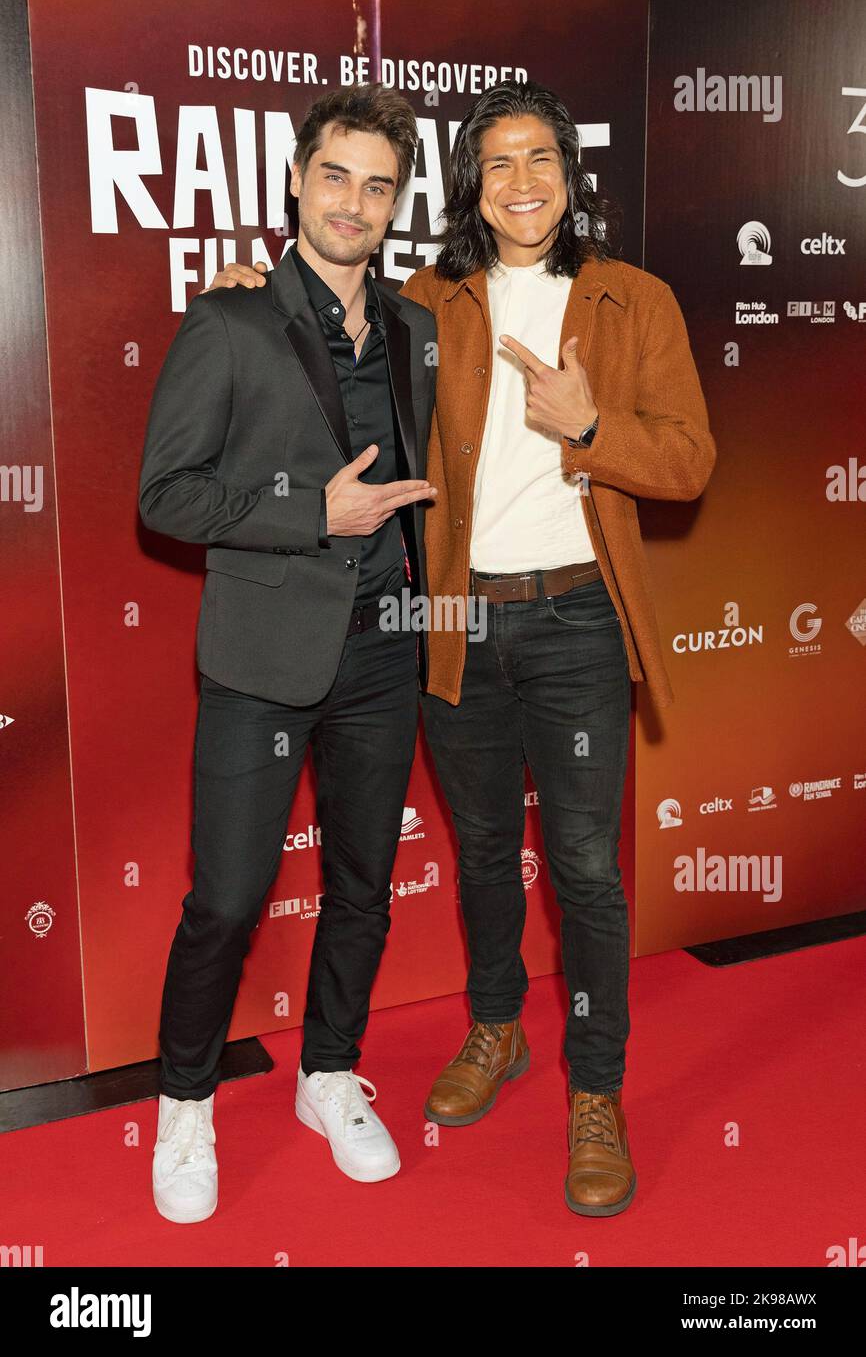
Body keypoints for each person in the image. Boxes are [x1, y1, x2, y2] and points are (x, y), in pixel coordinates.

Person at [212, 78, 717, 1216]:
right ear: (470, 187)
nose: (522, 180)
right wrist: (248, 286)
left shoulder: (635, 301)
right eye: (498, 163)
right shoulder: (427, 302)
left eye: (540, 157)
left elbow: (687, 462)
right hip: (450, 620)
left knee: (584, 869)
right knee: (484, 849)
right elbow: (317, 319)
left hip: (577, 613)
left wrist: (589, 426)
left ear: (569, 175)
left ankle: (597, 1087)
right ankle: (497, 1027)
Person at [138, 83, 437, 1223]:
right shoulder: (228, 321)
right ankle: (183, 1105)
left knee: (363, 884)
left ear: (395, 203)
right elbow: (166, 493)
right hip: (260, 656)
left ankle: (326, 1074)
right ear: (297, 184)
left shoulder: (416, 330)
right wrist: (314, 512)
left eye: (376, 185)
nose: (353, 202)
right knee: (225, 896)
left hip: (383, 654)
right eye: (335, 176)